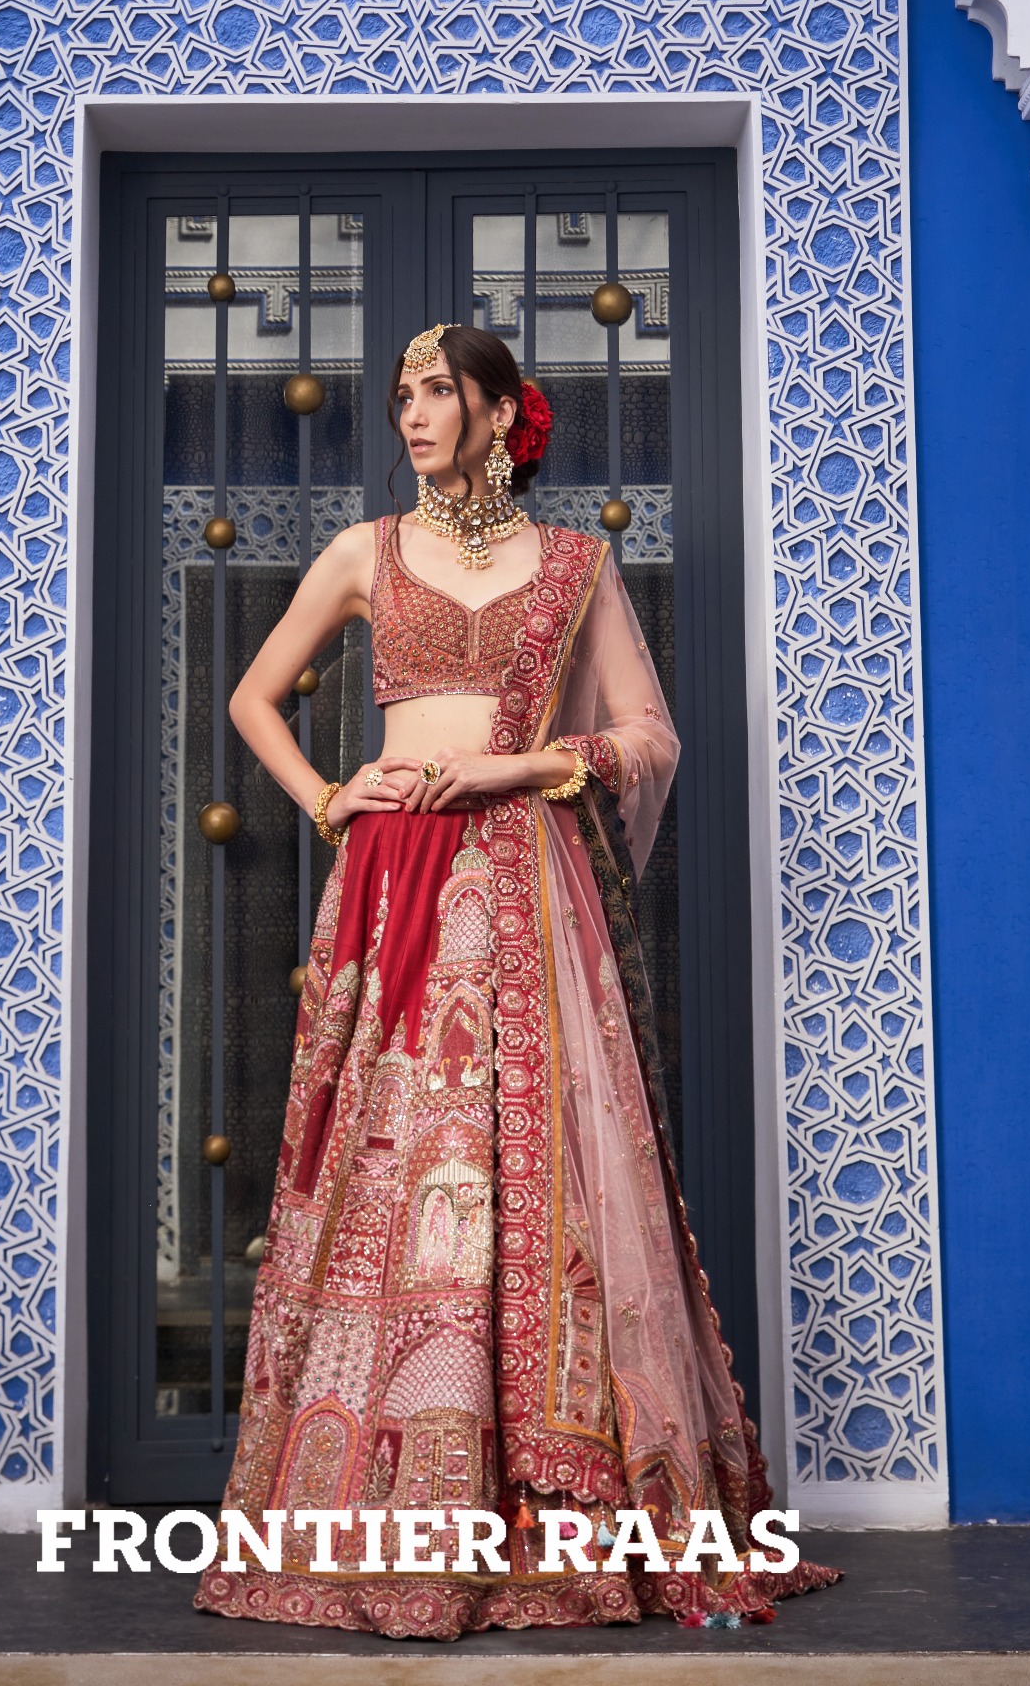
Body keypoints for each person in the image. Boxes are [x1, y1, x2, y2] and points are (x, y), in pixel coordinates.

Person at [193, 324, 838, 1637]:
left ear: (500, 412)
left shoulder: (577, 565)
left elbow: (650, 739)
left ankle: (545, 1493)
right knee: (388, 1169)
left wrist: (507, 769)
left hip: (528, 885)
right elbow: (253, 698)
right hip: (392, 884)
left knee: (531, 1178)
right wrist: (330, 795)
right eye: (401, 398)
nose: (414, 416)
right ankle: (383, 1496)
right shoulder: (364, 554)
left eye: (438, 393)